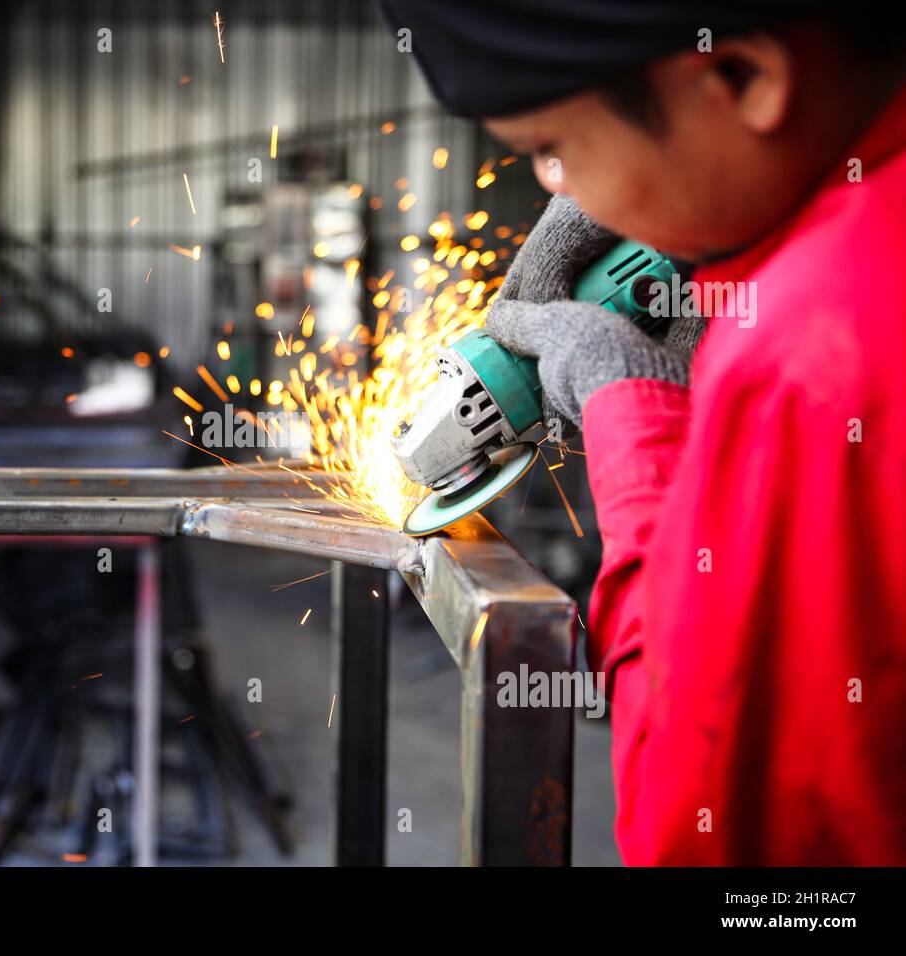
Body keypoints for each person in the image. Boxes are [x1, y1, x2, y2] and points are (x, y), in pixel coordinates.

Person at [380, 0, 906, 864]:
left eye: (554, 145)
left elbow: (697, 821)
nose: (556, 185)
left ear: (743, 77)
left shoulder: (809, 357)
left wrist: (634, 417)